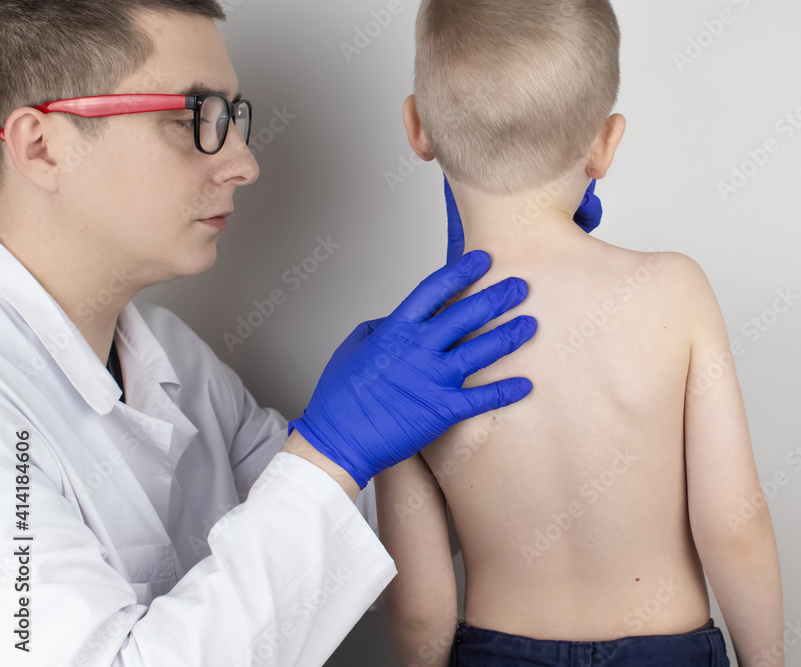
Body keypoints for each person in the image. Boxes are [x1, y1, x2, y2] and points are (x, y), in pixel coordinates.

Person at [0, 1, 601, 664]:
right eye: (195, 116)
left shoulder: (172, 359)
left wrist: (485, 327)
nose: (244, 163)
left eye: (232, 116)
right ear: (42, 146)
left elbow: (358, 544)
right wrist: (332, 449)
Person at [373, 1, 784, 666]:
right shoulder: (674, 293)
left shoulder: (405, 350)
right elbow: (733, 524)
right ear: (605, 141)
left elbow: (421, 605)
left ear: (419, 128)